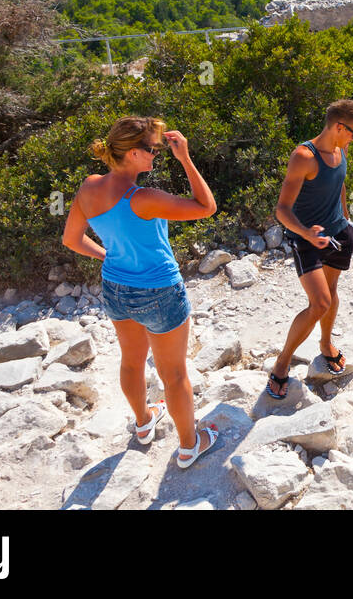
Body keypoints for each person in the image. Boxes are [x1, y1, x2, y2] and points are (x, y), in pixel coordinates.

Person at [61, 116, 221, 469]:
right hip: (160, 291)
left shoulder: (89, 187)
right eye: (153, 149)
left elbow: (71, 239)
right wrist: (186, 159)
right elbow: (206, 207)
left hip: (116, 288)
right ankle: (188, 446)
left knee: (131, 361)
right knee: (174, 374)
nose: (158, 155)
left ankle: (144, 422)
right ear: (133, 153)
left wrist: (108, 255)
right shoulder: (143, 198)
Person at [266, 99, 353, 399]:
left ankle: (325, 344)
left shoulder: (341, 148)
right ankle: (283, 361)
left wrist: (347, 219)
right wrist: (306, 234)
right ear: (339, 127)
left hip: (339, 233)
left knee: (332, 289)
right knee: (320, 303)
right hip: (306, 239)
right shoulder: (304, 157)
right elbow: (283, 210)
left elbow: (339, 183)